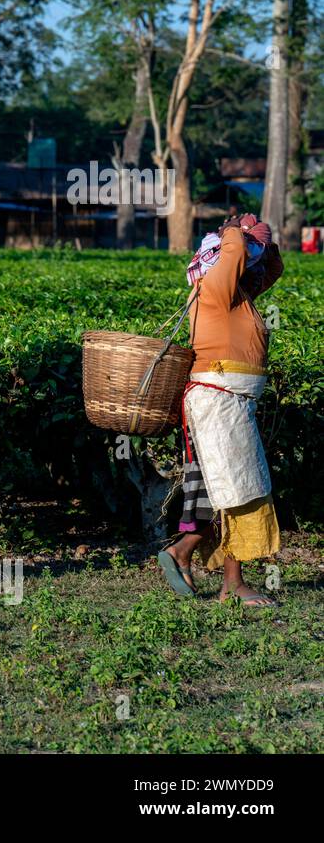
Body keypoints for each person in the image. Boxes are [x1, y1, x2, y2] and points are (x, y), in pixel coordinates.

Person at [157, 214, 284, 606]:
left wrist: (260, 232)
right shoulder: (214, 287)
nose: (252, 268)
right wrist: (235, 231)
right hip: (217, 399)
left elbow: (274, 267)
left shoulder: (237, 295)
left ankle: (186, 555)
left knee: (229, 489)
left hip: (230, 401)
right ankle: (229, 581)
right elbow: (232, 255)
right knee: (238, 490)